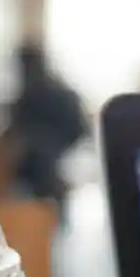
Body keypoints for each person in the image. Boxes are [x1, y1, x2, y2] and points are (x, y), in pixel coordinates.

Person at [5, 44, 86, 216]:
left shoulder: (31, 91)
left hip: (40, 155)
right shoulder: (59, 87)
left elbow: (16, 127)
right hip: (56, 151)